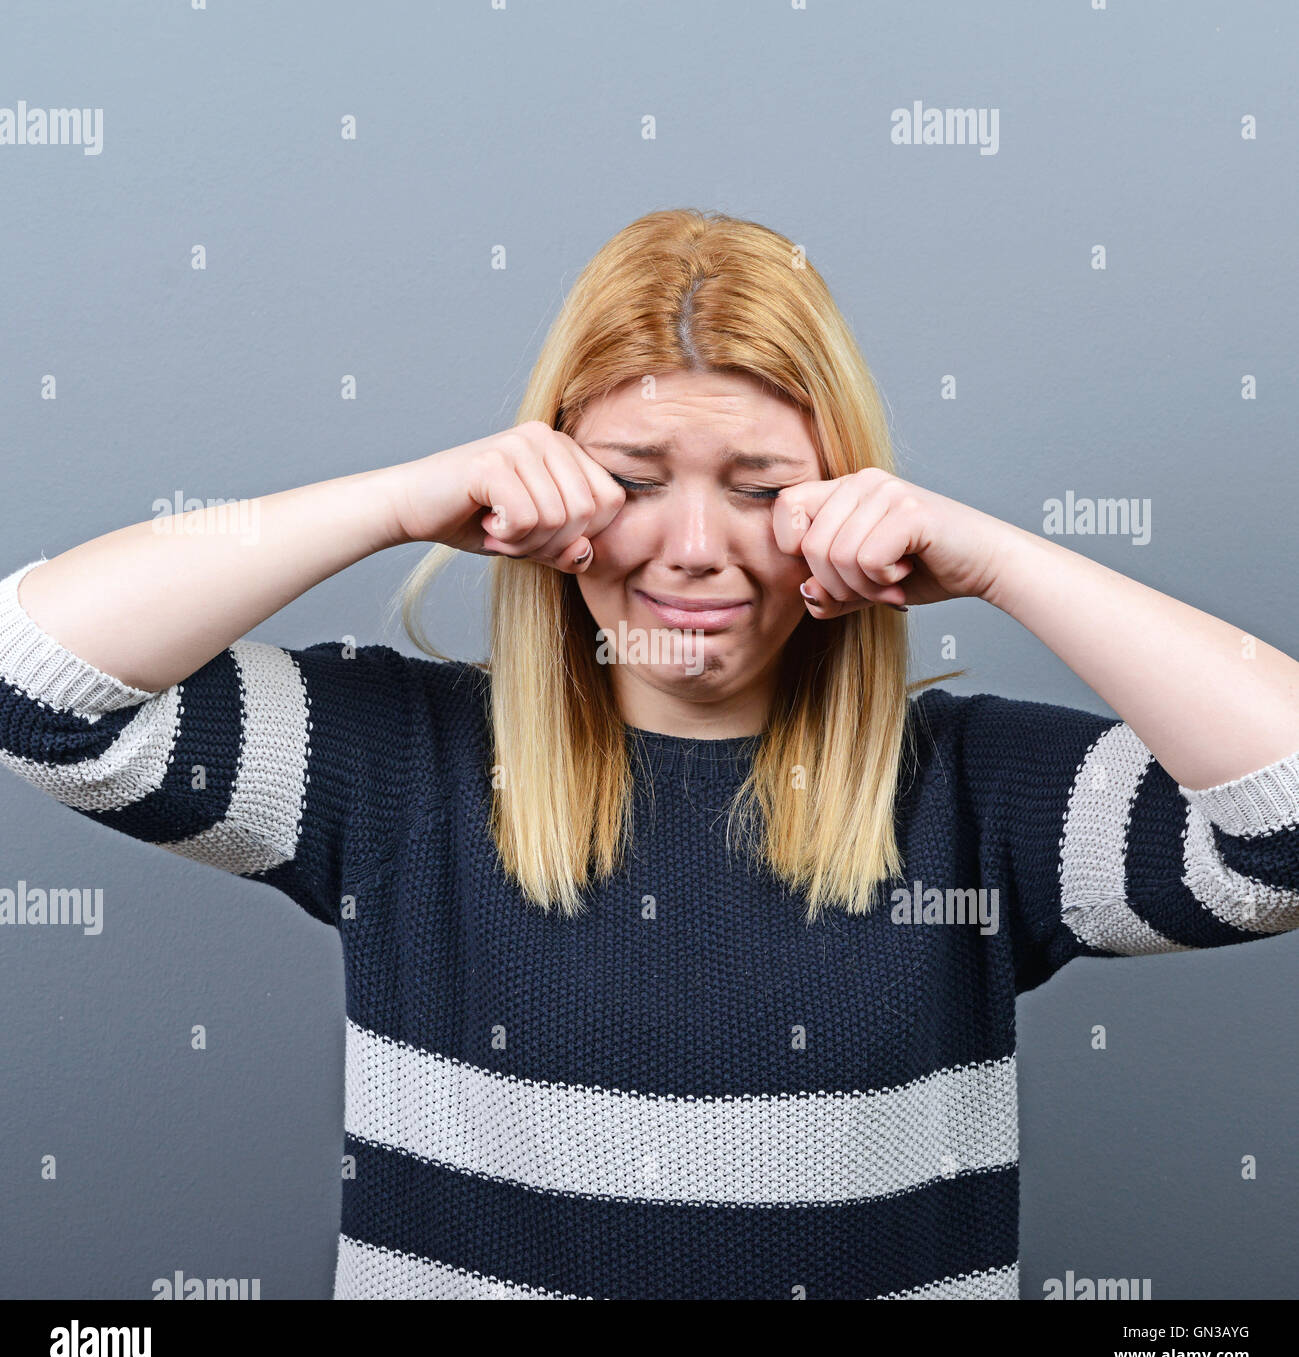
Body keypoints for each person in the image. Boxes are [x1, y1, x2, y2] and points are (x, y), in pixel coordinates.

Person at [2, 208, 1297, 1301]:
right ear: (544, 481)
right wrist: (405, 502)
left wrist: (1004, 560)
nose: (692, 547)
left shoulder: (983, 799)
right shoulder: (394, 762)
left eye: (756, 483)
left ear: (850, 496)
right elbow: (38, 684)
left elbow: (1283, 835)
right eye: (629, 477)